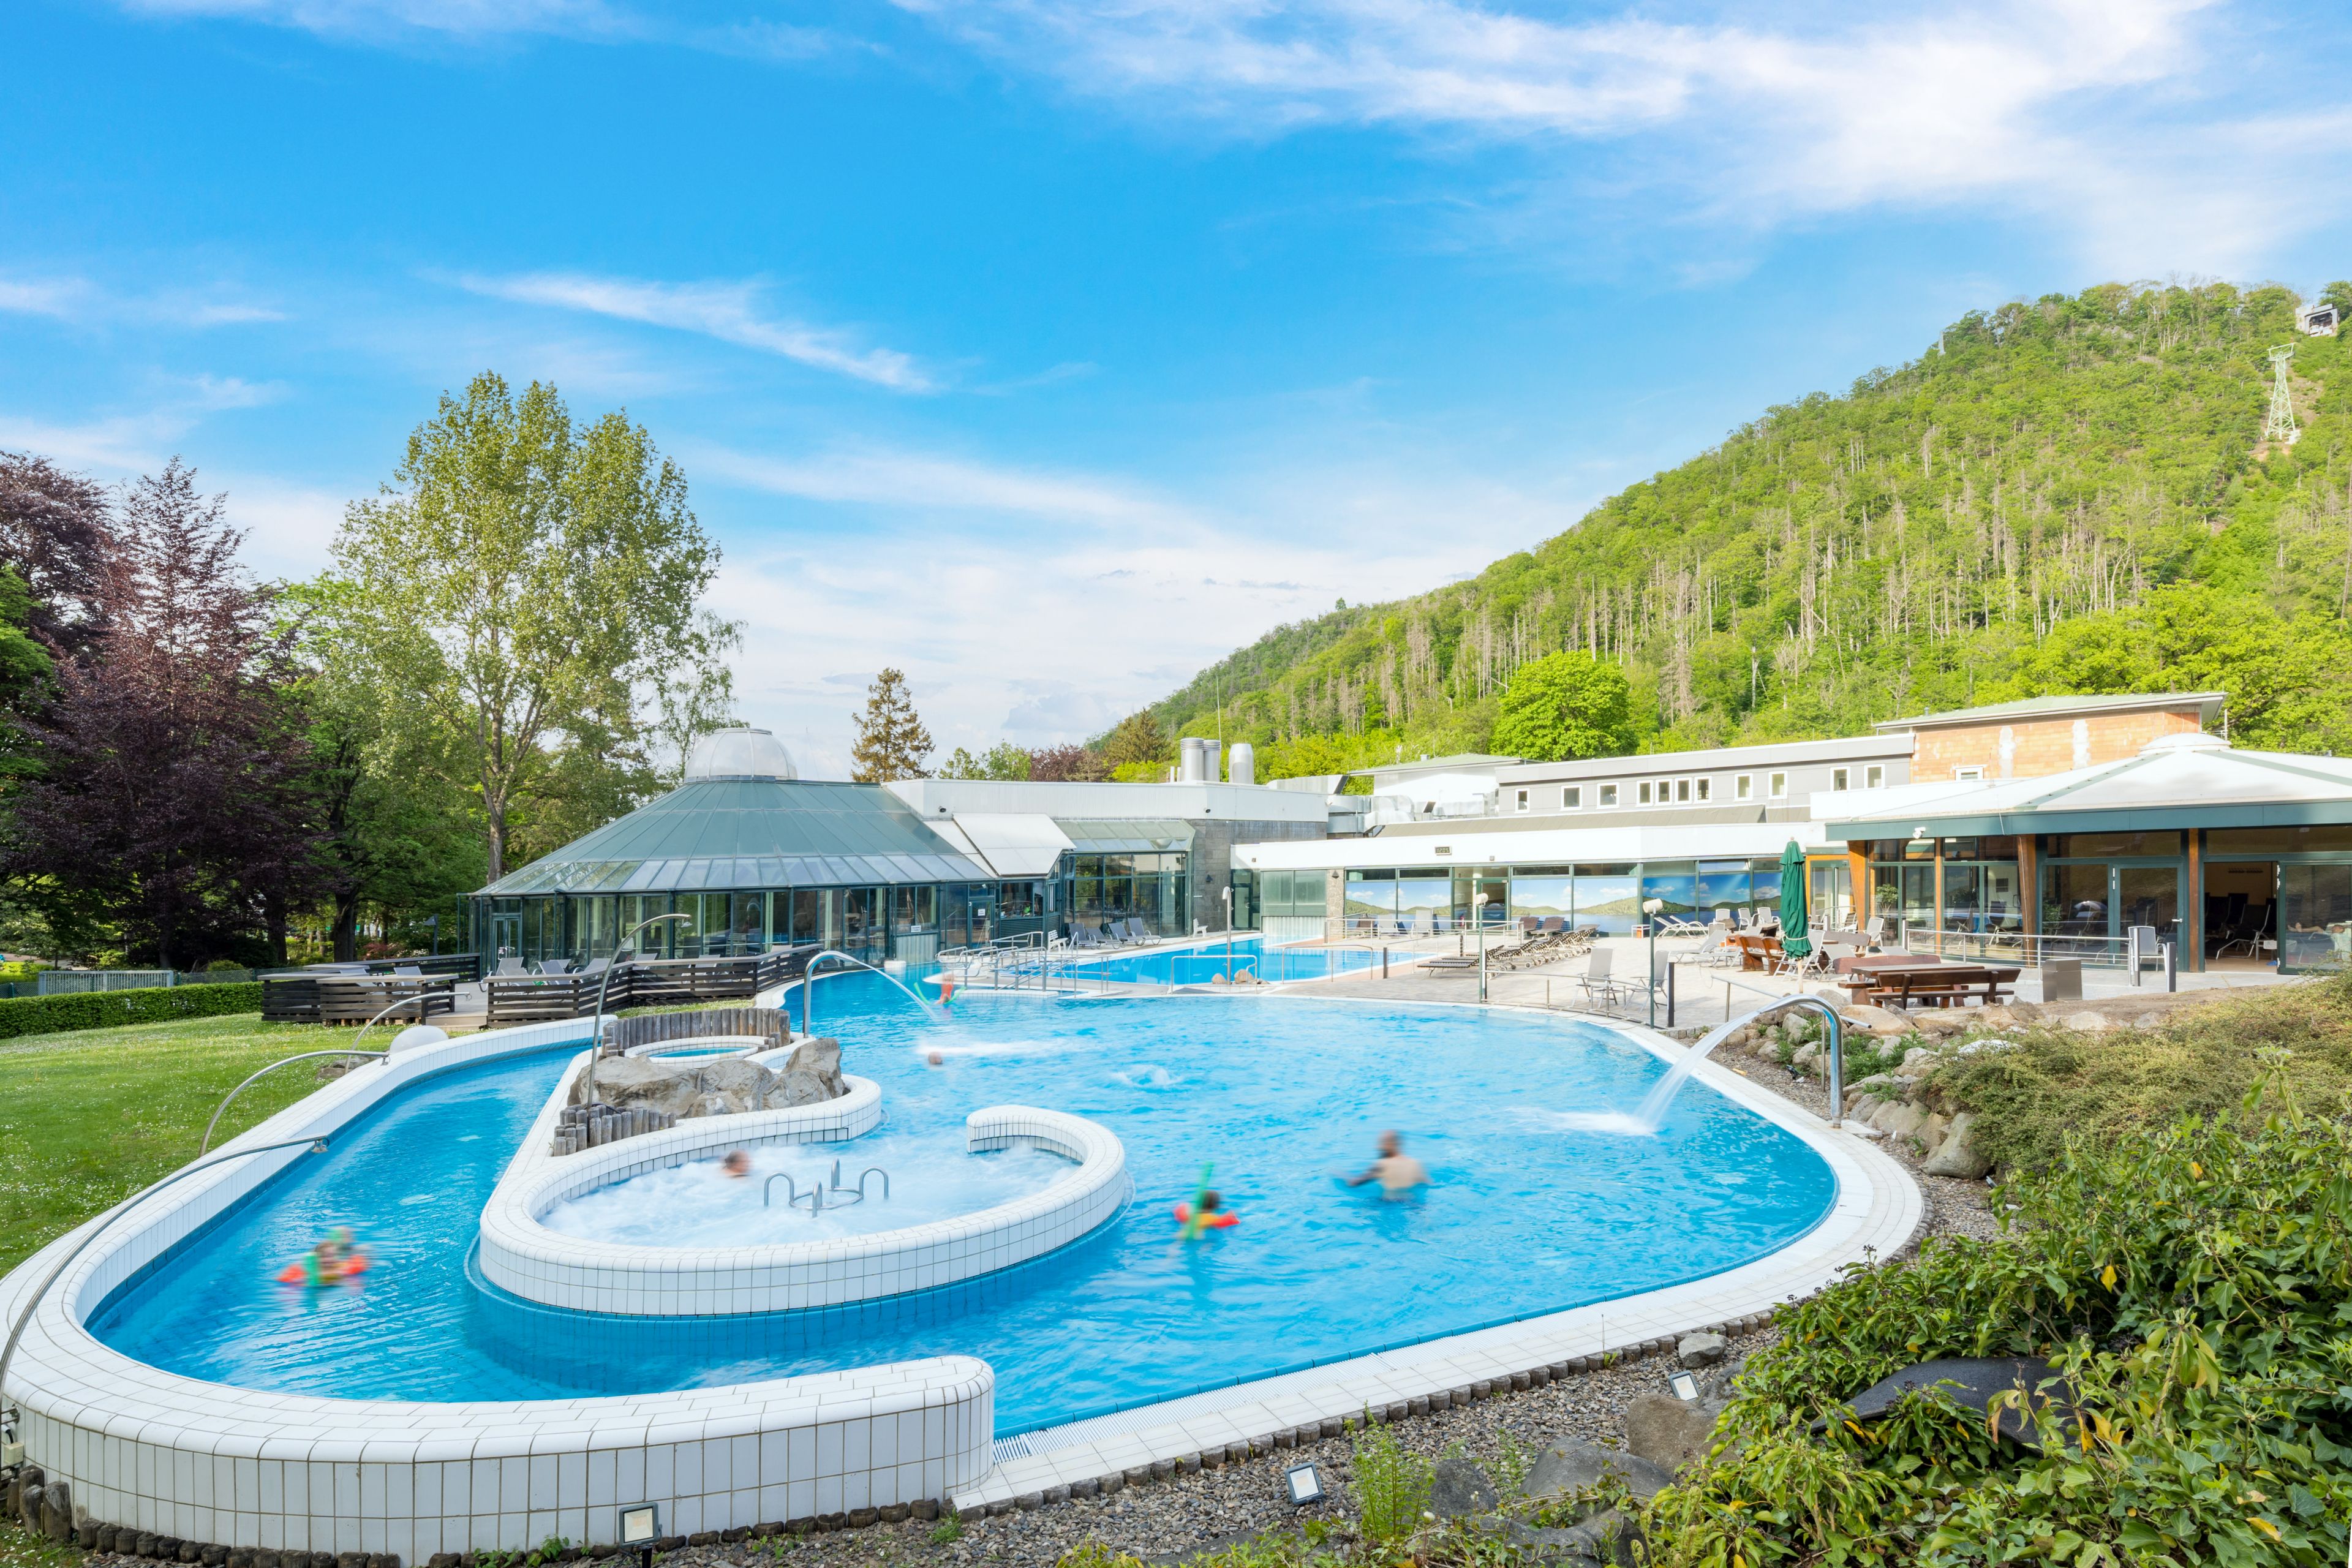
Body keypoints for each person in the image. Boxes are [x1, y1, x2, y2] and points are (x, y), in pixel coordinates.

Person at [1346, 1131, 1431, 1197]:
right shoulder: (1415, 1163)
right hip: (1411, 1201)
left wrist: (1341, 1175)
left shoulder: (1382, 1164)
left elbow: (1354, 1183)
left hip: (1389, 1202)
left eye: (1382, 1143)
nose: (1378, 1147)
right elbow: (1427, 1184)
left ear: (1390, 1145)